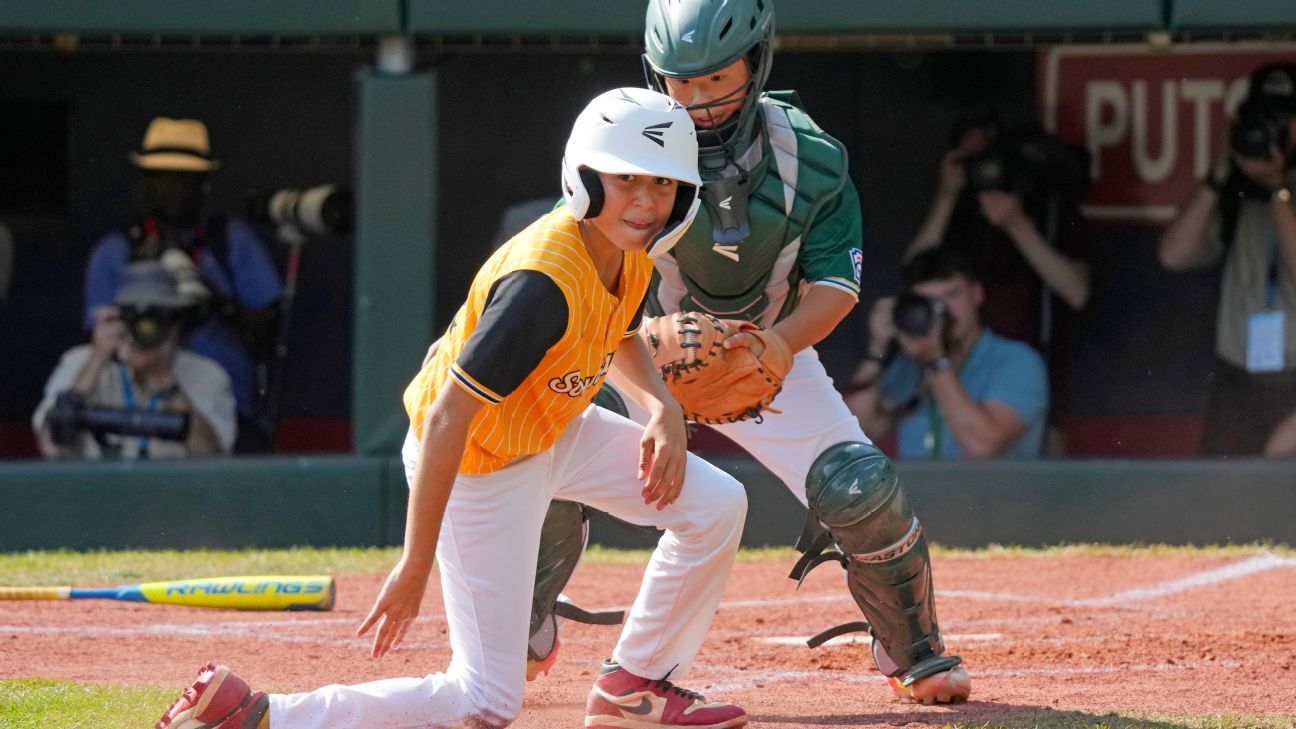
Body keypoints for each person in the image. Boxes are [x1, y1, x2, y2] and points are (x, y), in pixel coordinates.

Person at [154, 87, 751, 729]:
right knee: (485, 702)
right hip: (479, 460)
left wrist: (659, 406)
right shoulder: (542, 286)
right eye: (626, 177)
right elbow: (445, 419)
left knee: (716, 505)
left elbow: (621, 329)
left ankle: (634, 687)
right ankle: (258, 715)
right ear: (585, 176)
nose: (646, 199)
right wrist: (414, 565)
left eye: (663, 183)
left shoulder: (627, 248)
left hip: (549, 426)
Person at [525, 0, 972, 706]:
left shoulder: (812, 157)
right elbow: (581, 282)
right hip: (637, 352)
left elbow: (835, 284)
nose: (698, 102)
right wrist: (658, 398)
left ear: (757, 61)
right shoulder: (622, 143)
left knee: (861, 485)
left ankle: (911, 646)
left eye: (716, 79)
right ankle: (525, 622)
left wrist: (777, 343)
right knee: (543, 447)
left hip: (767, 346)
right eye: (680, 82)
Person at [83, 117, 282, 452]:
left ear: (204, 184)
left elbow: (272, 333)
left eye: (185, 179)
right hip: (133, 411)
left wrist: (212, 296)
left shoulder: (228, 242)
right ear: (146, 183)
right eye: (164, 178)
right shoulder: (116, 251)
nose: (175, 189)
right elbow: (99, 340)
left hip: (227, 406)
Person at [1158, 61, 1296, 456]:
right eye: (1263, 117)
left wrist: (1277, 190)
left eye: (1285, 119)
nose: (1273, 128)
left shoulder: (1275, 194)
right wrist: (1219, 172)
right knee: (1220, 505)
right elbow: (1173, 255)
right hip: (1239, 380)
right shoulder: (1236, 193)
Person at [906, 112, 1090, 347]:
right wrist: (946, 194)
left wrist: (1016, 224)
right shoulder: (958, 214)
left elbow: (1077, 293)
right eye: (968, 159)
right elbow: (912, 275)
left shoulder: (1048, 207)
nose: (980, 166)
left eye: (985, 157)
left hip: (1024, 359)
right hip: (959, 358)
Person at [845, 247, 1049, 459]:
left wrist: (936, 361)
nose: (942, 311)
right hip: (918, 492)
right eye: (928, 302)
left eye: (951, 295)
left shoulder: (1018, 361)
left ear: (977, 293)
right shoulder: (910, 363)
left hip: (993, 493)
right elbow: (852, 437)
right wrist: (876, 350)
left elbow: (982, 446)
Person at [32, 262, 235, 459]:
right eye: (136, 318)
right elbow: (51, 447)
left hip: (171, 492)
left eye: (156, 319)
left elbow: (212, 457)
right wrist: (97, 359)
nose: (145, 330)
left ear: (175, 324)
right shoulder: (78, 362)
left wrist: (165, 381)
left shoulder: (208, 375)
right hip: (94, 490)